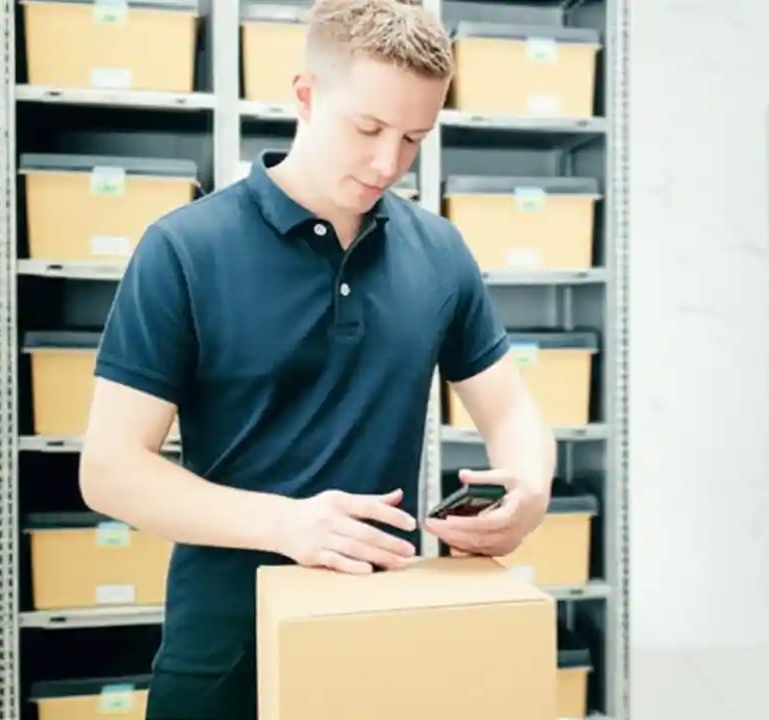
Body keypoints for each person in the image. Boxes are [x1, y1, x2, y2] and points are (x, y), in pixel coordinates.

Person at [77, 0, 557, 717]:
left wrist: (529, 491)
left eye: (412, 138)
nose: (387, 162)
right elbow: (111, 471)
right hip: (226, 643)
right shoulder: (184, 249)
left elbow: (510, 407)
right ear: (305, 94)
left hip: (382, 633)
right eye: (366, 128)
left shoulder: (441, 251)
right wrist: (289, 525)